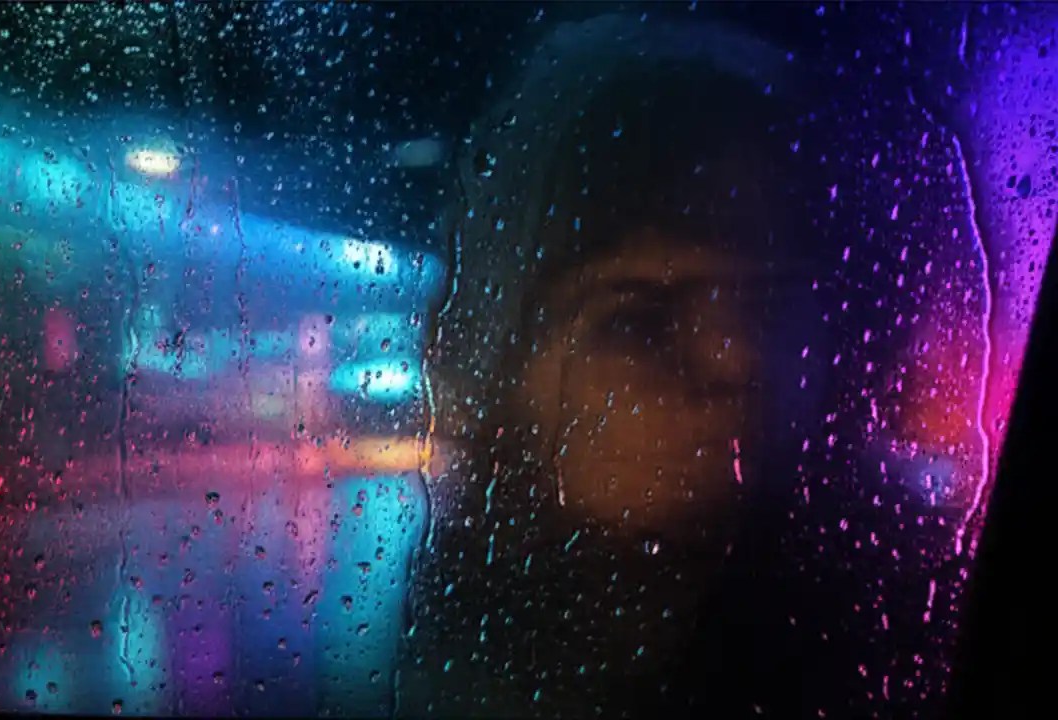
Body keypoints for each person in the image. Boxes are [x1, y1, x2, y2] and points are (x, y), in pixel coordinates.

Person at [398, 14, 951, 718]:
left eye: (771, 303)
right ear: (502, 382)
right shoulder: (466, 668)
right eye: (636, 319)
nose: (742, 362)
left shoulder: (919, 608)